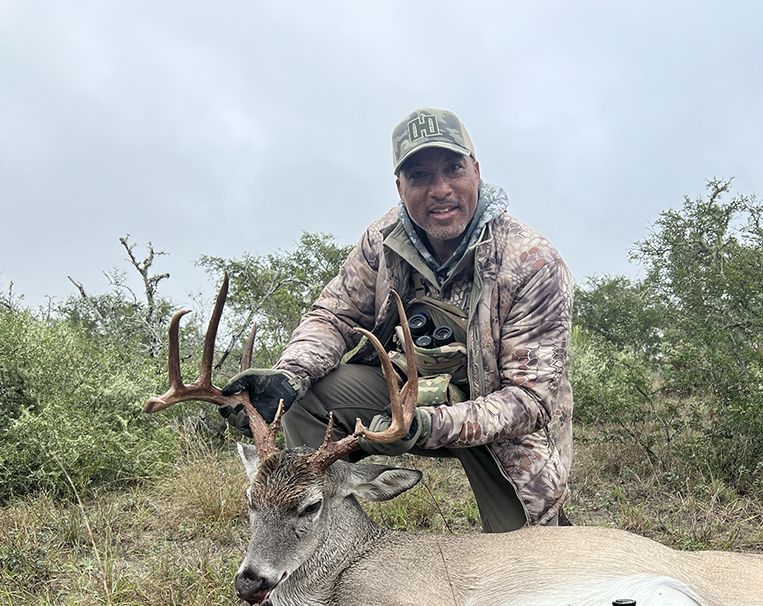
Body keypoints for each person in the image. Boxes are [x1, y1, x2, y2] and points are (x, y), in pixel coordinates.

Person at [223, 107, 572, 533]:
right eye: (420, 176)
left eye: (453, 169)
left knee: (531, 565)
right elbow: (334, 314)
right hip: (401, 396)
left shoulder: (531, 262)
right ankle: (325, 547)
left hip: (498, 426)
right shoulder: (383, 240)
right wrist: (288, 378)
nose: (440, 189)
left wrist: (427, 425)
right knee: (307, 401)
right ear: (400, 186)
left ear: (476, 171)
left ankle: (545, 537)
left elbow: (530, 401)